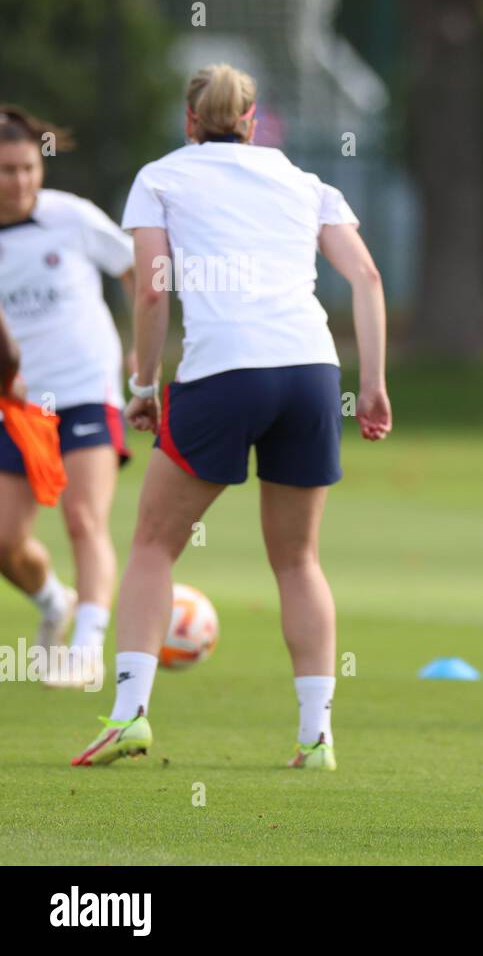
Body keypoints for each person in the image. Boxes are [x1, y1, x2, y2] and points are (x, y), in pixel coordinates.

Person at [71, 63, 392, 769]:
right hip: (311, 371)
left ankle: (129, 716)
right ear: (253, 122)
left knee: (155, 545)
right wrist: (371, 384)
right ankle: (316, 738)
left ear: (190, 122)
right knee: (299, 559)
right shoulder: (304, 182)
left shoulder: (161, 177)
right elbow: (366, 277)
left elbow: (153, 293)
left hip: (223, 373)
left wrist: (143, 383)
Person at [0, 106, 135, 684]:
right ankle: (56, 601)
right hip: (18, 402)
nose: (21, 181)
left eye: (29, 167)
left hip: (85, 387)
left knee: (84, 517)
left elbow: (138, 268)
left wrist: (139, 348)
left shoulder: (71, 218)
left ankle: (86, 649)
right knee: (6, 542)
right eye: (7, 170)